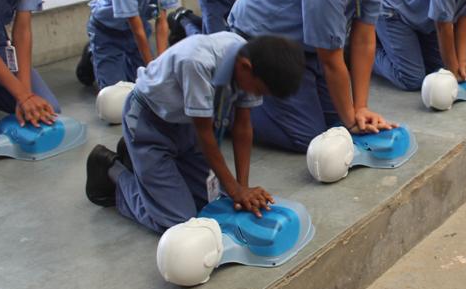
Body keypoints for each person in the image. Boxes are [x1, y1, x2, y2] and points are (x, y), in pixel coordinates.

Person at [227, 0, 434, 153]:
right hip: (261, 41)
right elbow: (331, 60)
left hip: (304, 44)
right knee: (311, 138)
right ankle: (227, 109)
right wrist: (350, 121)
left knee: (335, 125)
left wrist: (360, 109)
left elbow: (364, 39)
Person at [84, 33, 305, 234]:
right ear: (245, 67)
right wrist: (235, 189)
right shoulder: (197, 62)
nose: (255, 94)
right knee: (179, 223)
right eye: (258, 90)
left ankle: (141, 165)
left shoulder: (252, 61)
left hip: (185, 129)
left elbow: (243, 127)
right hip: (148, 126)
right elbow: (205, 134)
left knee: (211, 202)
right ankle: (112, 171)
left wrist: (241, 187)